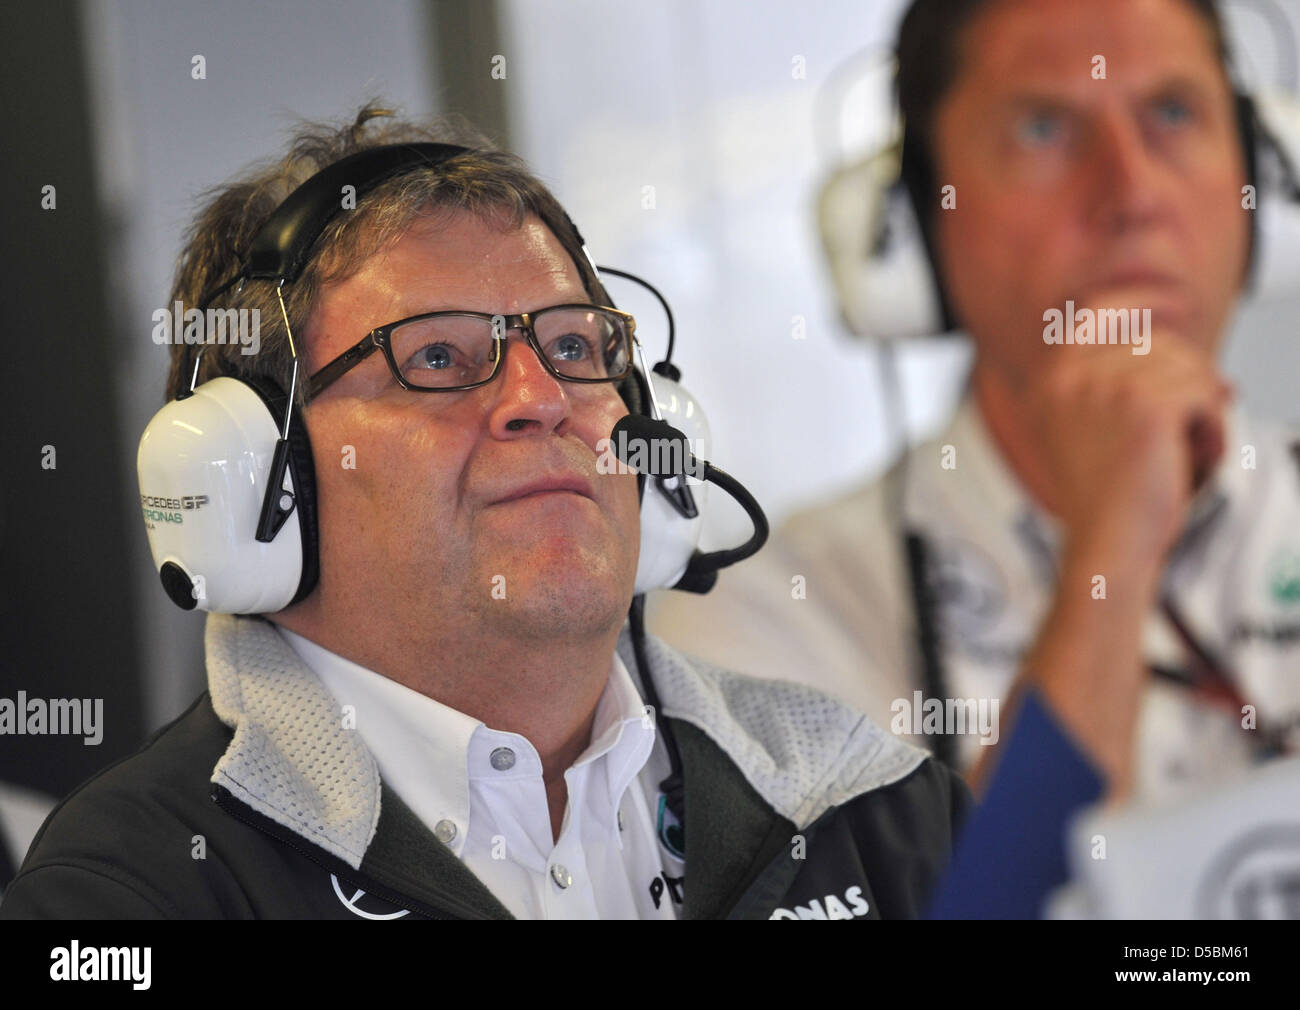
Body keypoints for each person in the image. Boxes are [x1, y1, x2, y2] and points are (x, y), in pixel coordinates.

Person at [0, 106, 968, 920]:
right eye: (435, 357)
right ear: (258, 471)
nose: (540, 395)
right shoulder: (132, 892)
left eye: (576, 345)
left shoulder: (868, 804)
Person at [650, 0, 1300, 803]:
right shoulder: (754, 633)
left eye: (1173, 111)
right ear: (922, 218)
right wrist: (1113, 548)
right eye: (1043, 129)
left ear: (1260, 178)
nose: (1132, 193)